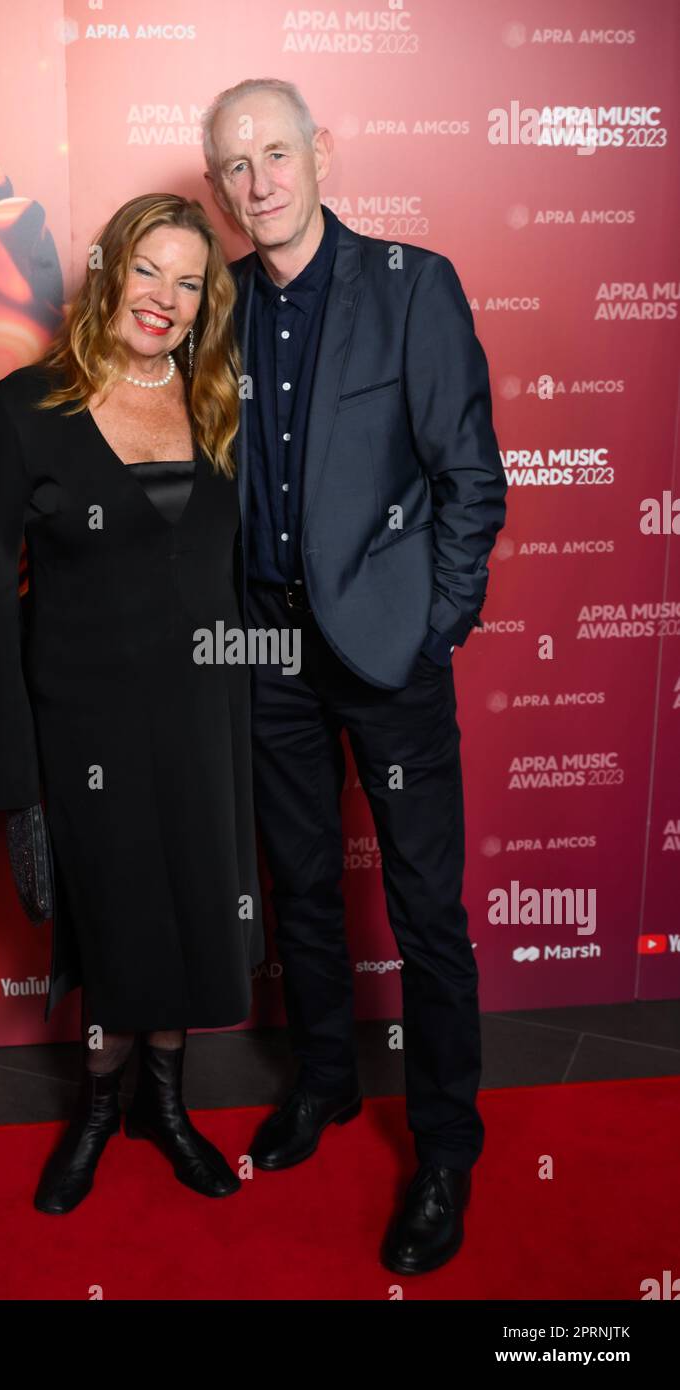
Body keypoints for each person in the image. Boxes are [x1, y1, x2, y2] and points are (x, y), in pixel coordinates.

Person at [202, 78, 507, 1273]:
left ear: (320, 154)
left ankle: (442, 1148)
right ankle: (324, 1080)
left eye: (276, 154)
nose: (258, 182)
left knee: (427, 914)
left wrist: (431, 627)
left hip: (385, 652)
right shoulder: (214, 309)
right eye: (234, 165)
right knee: (302, 889)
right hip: (262, 651)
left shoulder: (409, 285)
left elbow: (469, 478)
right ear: (218, 184)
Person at [0, 193, 265, 1214]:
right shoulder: (22, 408)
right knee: (116, 923)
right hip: (82, 727)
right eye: (149, 271)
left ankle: (166, 1109)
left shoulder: (220, 401)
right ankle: (99, 1108)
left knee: (191, 910)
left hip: (204, 720)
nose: (164, 299)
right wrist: (16, 779)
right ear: (109, 271)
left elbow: (232, 579)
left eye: (188, 283)